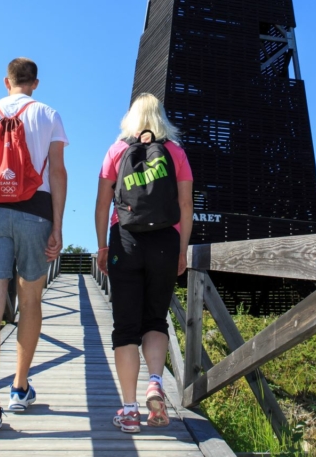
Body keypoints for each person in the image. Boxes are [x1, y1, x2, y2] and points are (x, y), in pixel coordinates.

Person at [0, 57, 68, 439]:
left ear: (6, 81)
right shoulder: (48, 114)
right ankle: (20, 388)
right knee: (31, 303)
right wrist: (57, 226)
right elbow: (57, 171)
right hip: (35, 216)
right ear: (35, 83)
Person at [94, 93, 193, 433]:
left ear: (130, 119)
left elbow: (102, 204)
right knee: (155, 319)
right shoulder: (176, 152)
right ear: (161, 117)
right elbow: (185, 206)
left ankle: (129, 409)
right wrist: (181, 250)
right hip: (165, 242)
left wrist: (102, 247)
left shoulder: (116, 151)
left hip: (125, 240)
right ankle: (155, 381)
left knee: (125, 327)